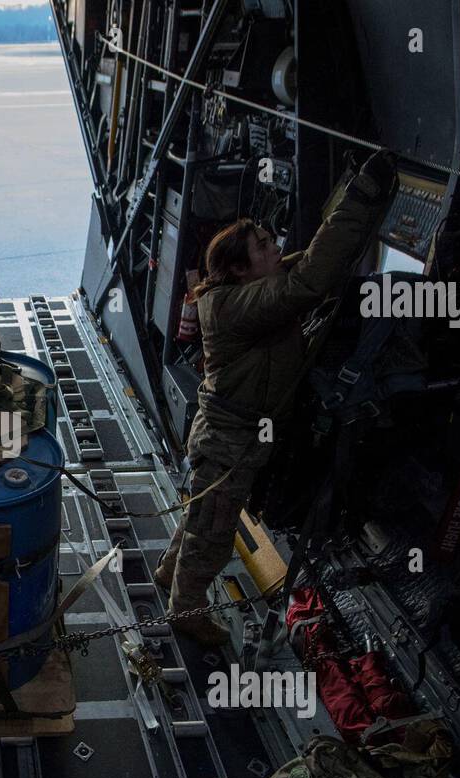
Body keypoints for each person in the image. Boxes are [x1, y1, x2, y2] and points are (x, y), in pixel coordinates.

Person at [156, 149, 398, 644]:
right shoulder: (235, 307)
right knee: (214, 528)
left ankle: (168, 574)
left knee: (205, 514)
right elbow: (307, 281)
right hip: (229, 439)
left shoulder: (235, 294)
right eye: (263, 246)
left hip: (230, 435)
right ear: (241, 269)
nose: (274, 249)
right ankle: (186, 612)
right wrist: (364, 195)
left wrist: (353, 199)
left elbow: (310, 260)